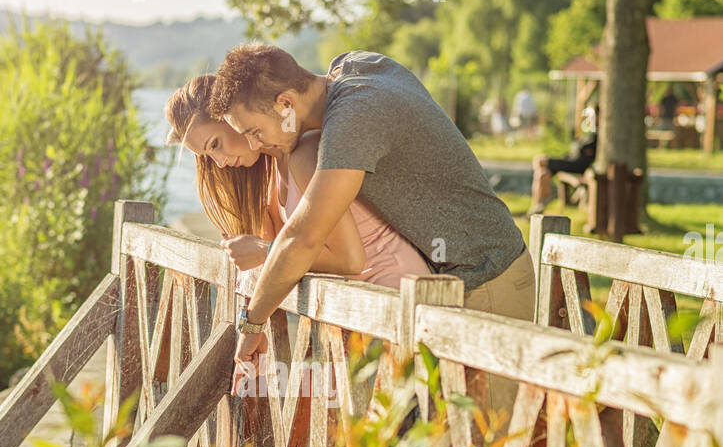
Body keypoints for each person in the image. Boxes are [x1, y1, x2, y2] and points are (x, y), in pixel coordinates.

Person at [208, 44, 536, 421]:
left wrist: (253, 322)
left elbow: (304, 238)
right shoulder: (354, 67)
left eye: (254, 131)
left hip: (488, 278)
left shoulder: (353, 118)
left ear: (285, 103)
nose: (253, 145)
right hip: (448, 282)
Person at [164, 74, 432, 289]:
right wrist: (252, 323)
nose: (220, 162)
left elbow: (345, 259)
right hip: (357, 301)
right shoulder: (271, 173)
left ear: (231, 117)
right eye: (209, 156)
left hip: (395, 289)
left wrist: (265, 252)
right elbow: (280, 262)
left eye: (216, 144)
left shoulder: (306, 152)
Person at [530, 107, 598, 214]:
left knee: (540, 161)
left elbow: (583, 154)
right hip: (571, 162)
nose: (588, 118)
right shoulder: (589, 133)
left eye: (590, 115)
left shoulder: (596, 135)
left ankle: (544, 199)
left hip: (577, 166)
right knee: (542, 173)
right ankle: (537, 204)